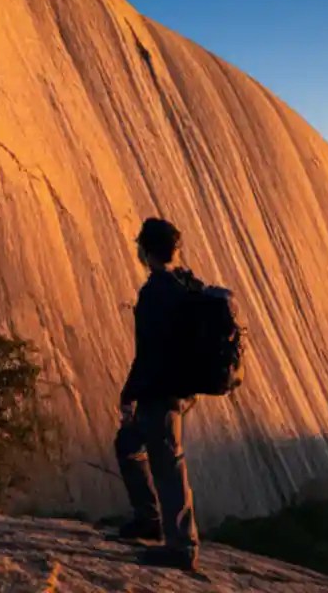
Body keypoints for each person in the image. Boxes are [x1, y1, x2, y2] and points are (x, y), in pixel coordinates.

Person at [114, 217, 200, 571]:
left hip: (160, 392)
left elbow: (147, 352)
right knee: (128, 444)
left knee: (168, 465)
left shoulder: (156, 293)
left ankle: (182, 546)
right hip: (179, 387)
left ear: (146, 251)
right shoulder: (187, 284)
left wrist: (128, 394)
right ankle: (148, 519)